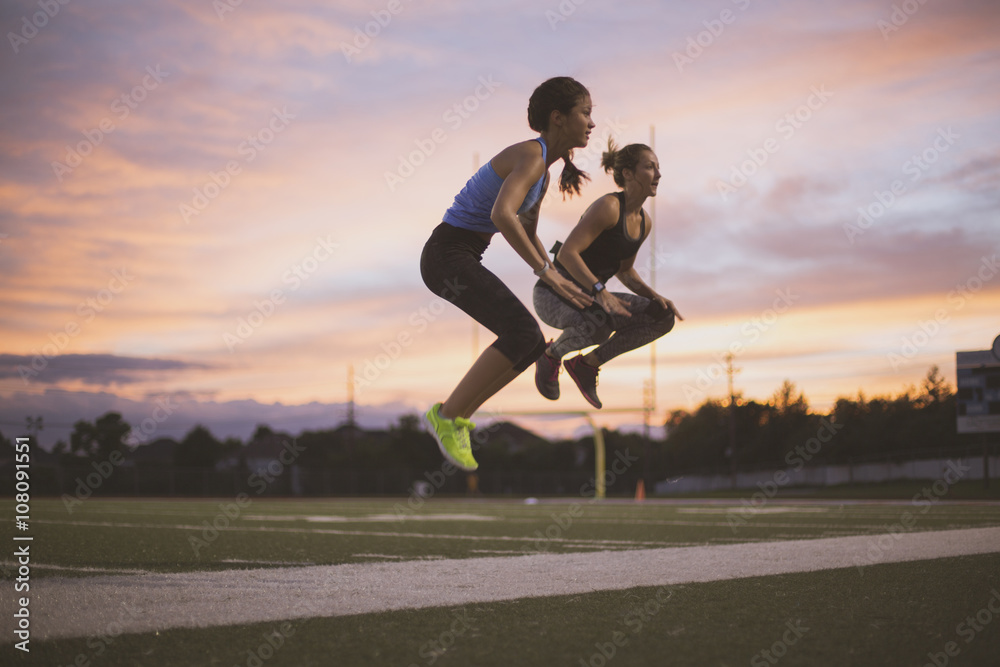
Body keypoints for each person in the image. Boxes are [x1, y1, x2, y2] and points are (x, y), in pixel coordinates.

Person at [420, 76, 596, 471]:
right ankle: (447, 417)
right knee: (522, 332)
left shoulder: (543, 172)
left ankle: (453, 418)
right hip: (445, 255)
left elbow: (528, 231)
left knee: (530, 342)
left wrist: (557, 277)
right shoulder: (532, 157)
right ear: (558, 117)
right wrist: (545, 273)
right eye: (585, 113)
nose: (591, 122)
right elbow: (502, 214)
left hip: (460, 255)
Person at [532, 139, 683, 409]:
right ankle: (550, 356)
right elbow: (567, 253)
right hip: (553, 293)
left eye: (658, 168)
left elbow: (625, 272)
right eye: (649, 167)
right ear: (628, 173)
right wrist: (601, 291)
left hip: (593, 298)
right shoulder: (609, 207)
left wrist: (655, 295)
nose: (658, 174)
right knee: (599, 326)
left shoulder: (643, 222)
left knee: (662, 316)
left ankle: (587, 364)